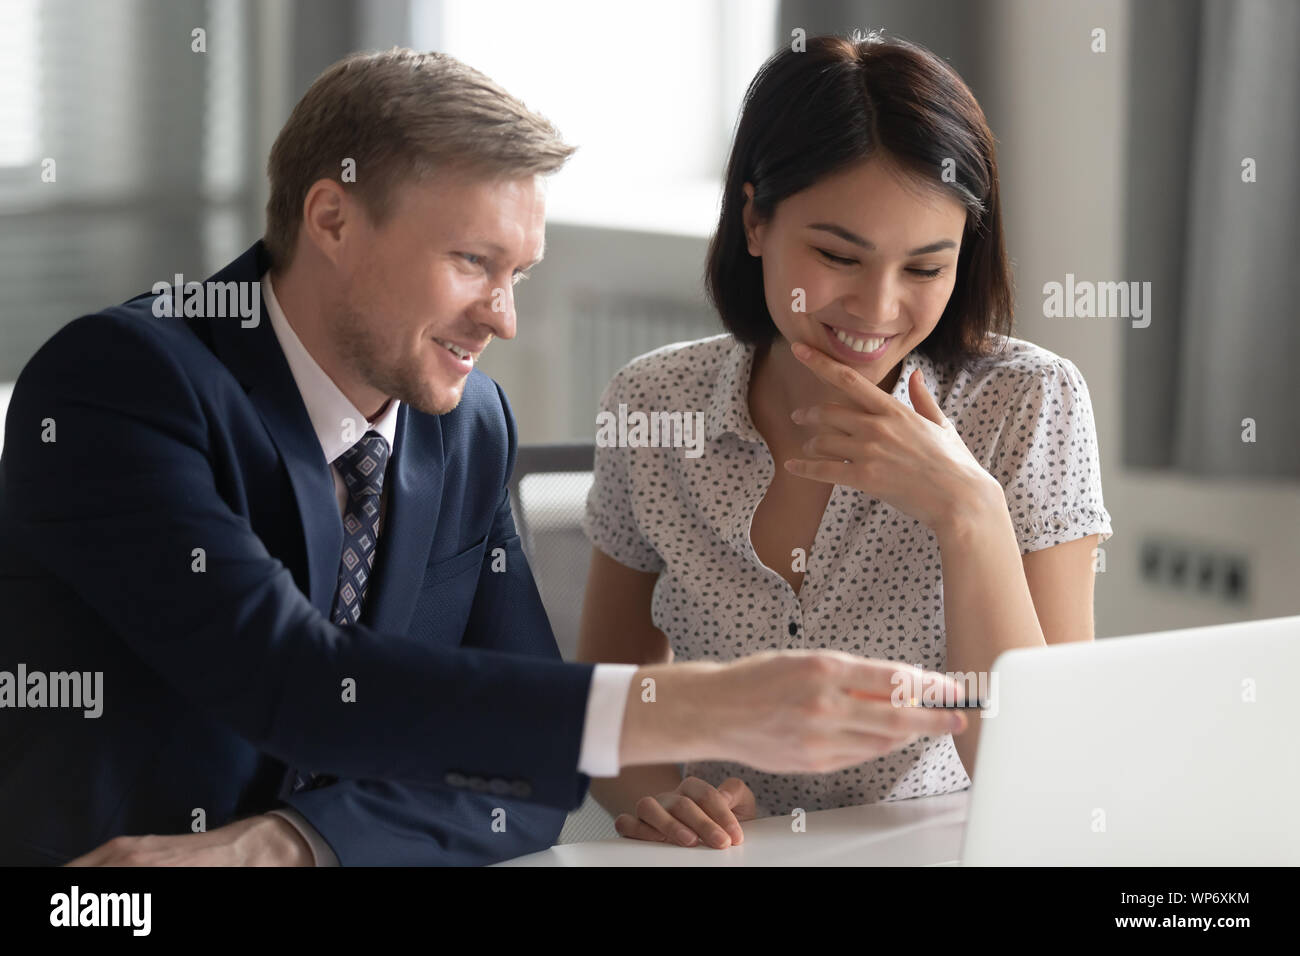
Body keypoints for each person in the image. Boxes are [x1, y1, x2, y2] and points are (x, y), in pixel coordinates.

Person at [0, 48, 966, 867]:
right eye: (472, 263)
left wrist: (299, 842)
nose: (503, 318)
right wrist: (701, 705)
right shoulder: (122, 384)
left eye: (519, 275)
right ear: (331, 219)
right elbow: (292, 678)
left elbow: (527, 781)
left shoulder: (467, 426)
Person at [579, 31, 1114, 850]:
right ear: (755, 219)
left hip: (930, 846)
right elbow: (608, 694)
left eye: (926, 268)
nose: (877, 307)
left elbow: (1044, 766)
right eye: (837, 255)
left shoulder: (1027, 403)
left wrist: (969, 513)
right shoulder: (654, 405)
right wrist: (662, 798)